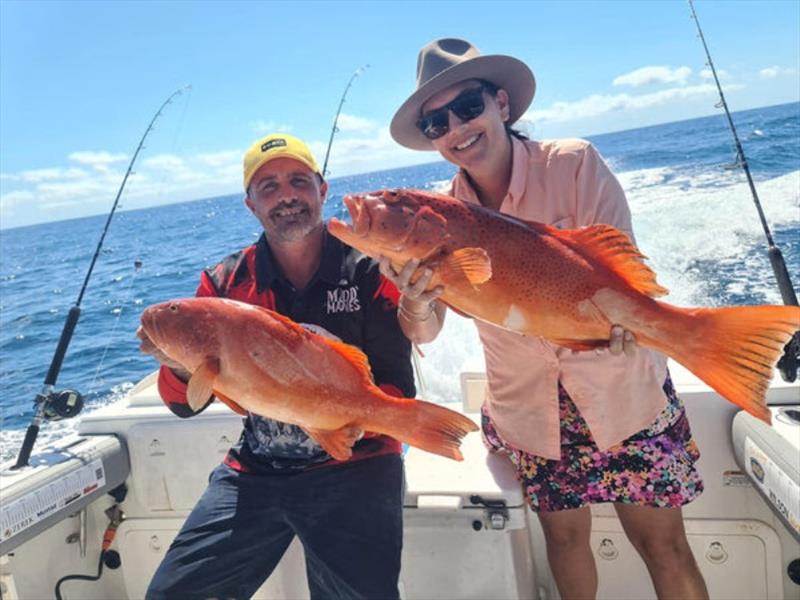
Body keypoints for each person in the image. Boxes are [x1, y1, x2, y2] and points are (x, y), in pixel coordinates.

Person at [385, 38, 708, 600]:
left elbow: (622, 271)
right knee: (563, 545)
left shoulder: (575, 164)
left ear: (502, 104)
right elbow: (425, 330)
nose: (457, 128)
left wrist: (639, 325)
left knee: (664, 547)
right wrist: (414, 301)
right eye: (437, 123)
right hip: (529, 413)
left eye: (468, 107)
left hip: (623, 392)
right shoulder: (430, 221)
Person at [138, 133, 414, 600]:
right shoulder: (224, 283)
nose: (286, 195)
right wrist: (180, 365)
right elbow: (182, 405)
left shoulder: (369, 269)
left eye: (297, 181)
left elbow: (396, 386)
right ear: (250, 205)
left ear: (322, 190)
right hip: (256, 469)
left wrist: (349, 426)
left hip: (356, 463)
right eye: (268, 187)